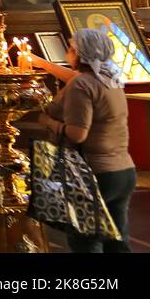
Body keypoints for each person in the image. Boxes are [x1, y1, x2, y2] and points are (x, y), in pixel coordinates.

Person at [32, 28, 136, 252]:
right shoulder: (111, 78)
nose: (68, 53)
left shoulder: (82, 84)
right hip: (123, 171)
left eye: (71, 49)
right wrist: (42, 63)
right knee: (117, 243)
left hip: (92, 174)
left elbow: (78, 134)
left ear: (82, 53)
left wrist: (48, 122)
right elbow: (78, 78)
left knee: (85, 243)